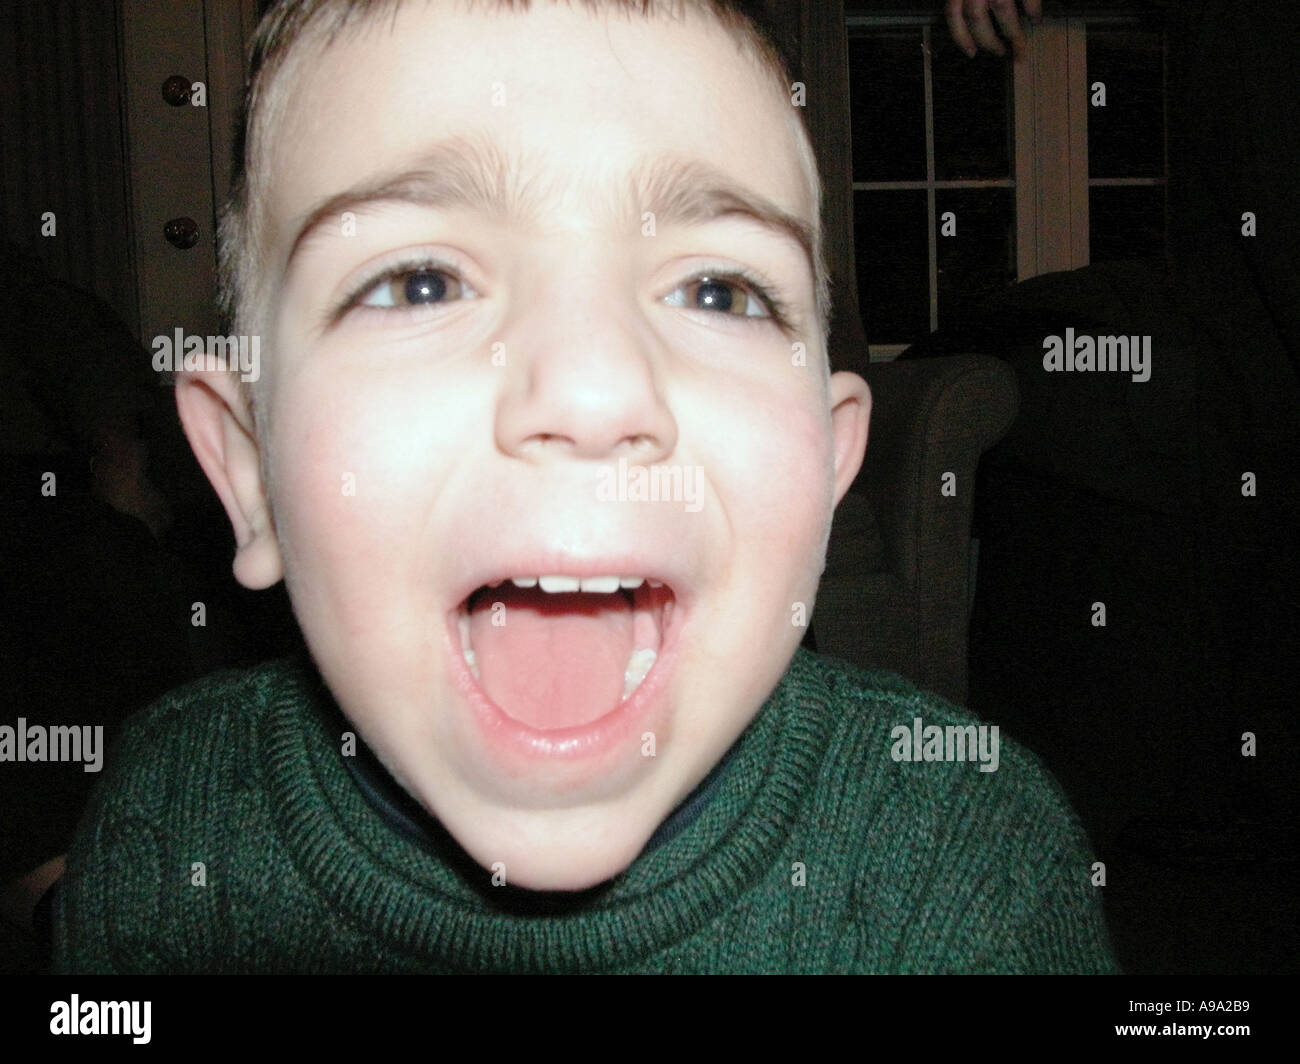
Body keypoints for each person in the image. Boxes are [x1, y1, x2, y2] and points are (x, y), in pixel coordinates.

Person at [52, 0, 1116, 973]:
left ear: (830, 468)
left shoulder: (969, 866)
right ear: (248, 471)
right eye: (418, 280)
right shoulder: (161, 831)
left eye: (718, 289)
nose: (596, 385)